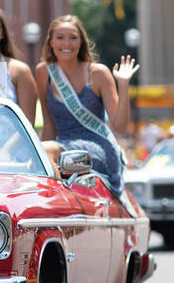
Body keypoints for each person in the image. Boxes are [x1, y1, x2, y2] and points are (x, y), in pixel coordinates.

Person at [34, 15, 138, 196]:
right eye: (60, 37)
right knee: (38, 154)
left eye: (73, 37)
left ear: (81, 42)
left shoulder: (98, 73)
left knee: (45, 151)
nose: (67, 43)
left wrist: (123, 84)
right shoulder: (44, 72)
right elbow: (49, 124)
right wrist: (40, 159)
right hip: (63, 149)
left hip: (97, 149)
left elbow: (120, 127)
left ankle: (61, 199)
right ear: (51, 42)